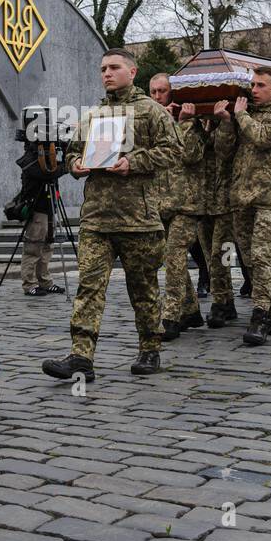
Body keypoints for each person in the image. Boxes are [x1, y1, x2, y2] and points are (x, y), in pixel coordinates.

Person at [42, 49, 175, 380]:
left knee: (143, 289)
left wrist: (134, 162)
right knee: (89, 287)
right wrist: (75, 165)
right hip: (97, 218)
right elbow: (72, 152)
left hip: (139, 219)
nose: (107, 73)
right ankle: (81, 357)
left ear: (132, 72)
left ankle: (149, 349)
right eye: (103, 68)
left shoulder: (152, 112)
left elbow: (173, 152)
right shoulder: (92, 115)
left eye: (114, 67)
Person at [223, 67, 271, 345]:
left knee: (265, 256)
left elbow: (263, 138)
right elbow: (224, 151)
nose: (254, 89)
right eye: (252, 84)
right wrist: (227, 122)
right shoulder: (245, 115)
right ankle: (268, 305)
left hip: (268, 199)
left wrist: (240, 116)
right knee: (250, 258)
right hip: (241, 198)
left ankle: (261, 315)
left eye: (260, 85)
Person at [160, 102, 211, 340]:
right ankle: (190, 311)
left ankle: (170, 316)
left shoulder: (194, 126)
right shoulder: (157, 123)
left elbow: (191, 155)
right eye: (154, 92)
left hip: (187, 204)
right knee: (174, 261)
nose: (158, 97)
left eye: (163, 92)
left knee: (174, 256)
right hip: (162, 203)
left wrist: (184, 122)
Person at [202, 100, 239, 327]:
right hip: (202, 201)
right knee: (210, 255)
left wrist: (224, 122)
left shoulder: (232, 122)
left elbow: (224, 151)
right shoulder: (197, 123)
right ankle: (227, 300)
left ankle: (219, 302)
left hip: (225, 201)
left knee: (221, 254)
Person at [17, 132, 65, 296]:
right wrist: (64, 167)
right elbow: (47, 173)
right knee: (33, 247)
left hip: (50, 207)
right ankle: (29, 284)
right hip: (37, 209)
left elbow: (52, 171)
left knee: (48, 246)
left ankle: (44, 281)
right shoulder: (29, 160)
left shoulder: (48, 160)